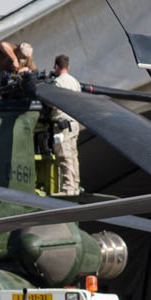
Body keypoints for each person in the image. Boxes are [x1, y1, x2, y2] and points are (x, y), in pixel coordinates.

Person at [50, 54, 83, 195]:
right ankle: (75, 186)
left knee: (64, 155)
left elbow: (52, 103)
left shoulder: (57, 83)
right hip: (74, 123)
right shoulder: (75, 82)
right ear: (68, 67)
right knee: (73, 154)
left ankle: (68, 188)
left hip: (62, 124)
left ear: (56, 66)